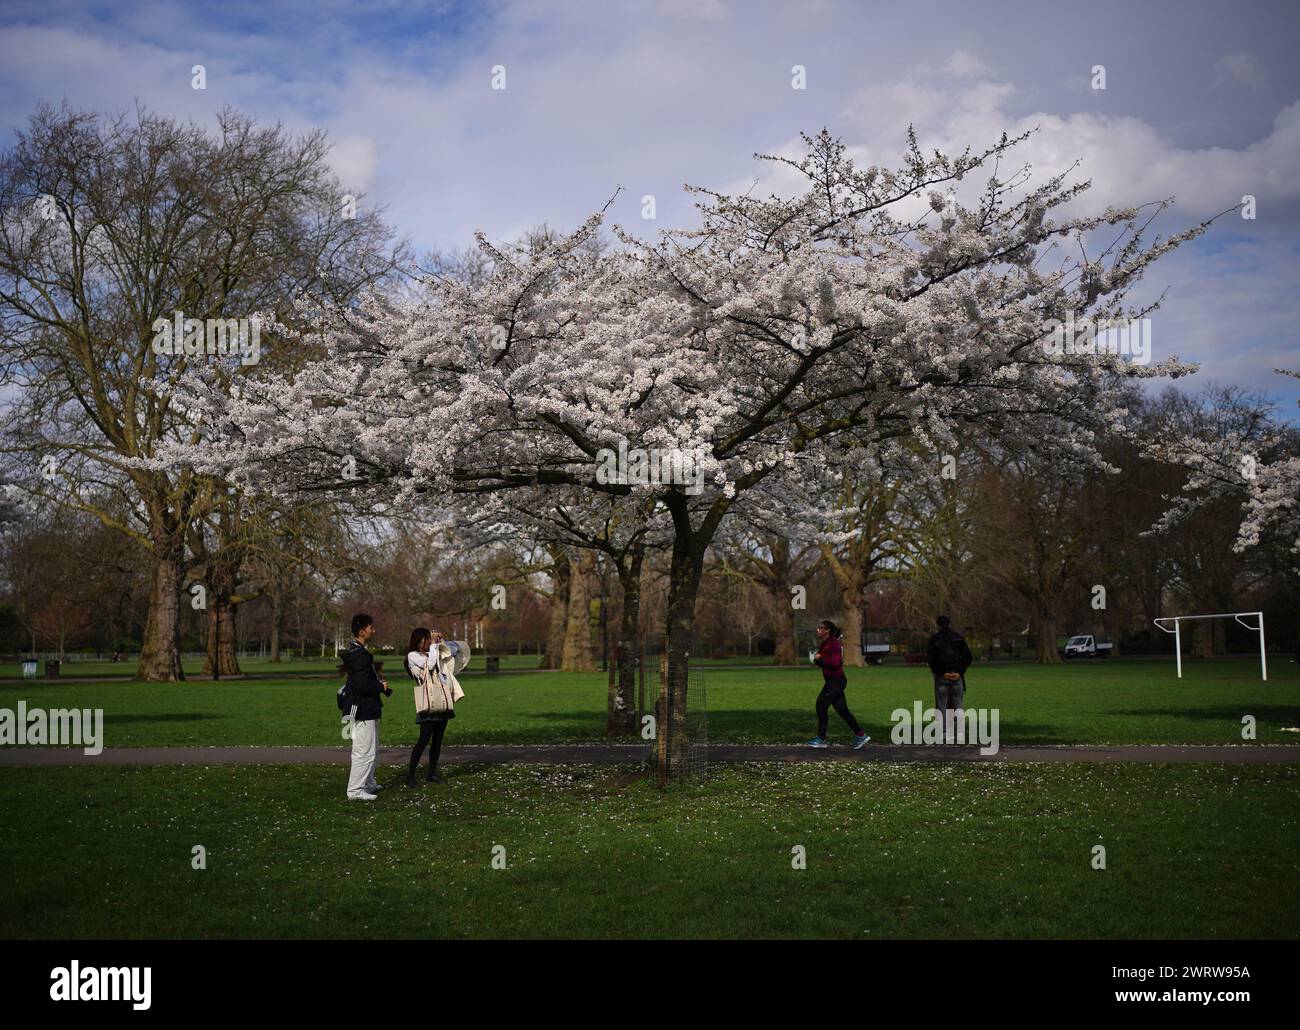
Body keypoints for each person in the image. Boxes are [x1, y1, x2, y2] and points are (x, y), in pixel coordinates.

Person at [341, 612, 391, 801]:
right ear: (362, 631)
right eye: (371, 628)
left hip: (367, 707)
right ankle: (355, 791)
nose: (374, 630)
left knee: (372, 748)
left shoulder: (358, 653)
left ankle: (368, 783)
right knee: (364, 751)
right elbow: (362, 685)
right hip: (362, 709)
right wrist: (380, 686)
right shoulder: (359, 656)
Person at [807, 619, 870, 749]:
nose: (817, 630)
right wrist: (817, 660)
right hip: (832, 681)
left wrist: (820, 659)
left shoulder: (834, 644)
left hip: (836, 681)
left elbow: (836, 663)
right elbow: (823, 661)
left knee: (821, 705)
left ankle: (821, 738)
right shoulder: (825, 644)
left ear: (827, 630)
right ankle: (861, 735)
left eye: (820, 628)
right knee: (842, 710)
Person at [404, 627, 455, 786]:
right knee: (423, 740)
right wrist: (434, 645)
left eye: (429, 639)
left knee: (438, 741)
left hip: (441, 699)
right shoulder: (412, 656)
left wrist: (439, 642)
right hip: (429, 701)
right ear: (419, 640)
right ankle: (411, 776)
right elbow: (430, 665)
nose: (428, 641)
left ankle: (431, 773)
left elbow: (448, 660)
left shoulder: (432, 650)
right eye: (426, 639)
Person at [926, 614, 973, 732]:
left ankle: (943, 730)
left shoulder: (934, 639)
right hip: (957, 676)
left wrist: (940, 672)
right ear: (949, 623)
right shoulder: (958, 638)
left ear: (938, 625)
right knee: (958, 704)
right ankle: (960, 730)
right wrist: (959, 671)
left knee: (941, 704)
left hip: (942, 676)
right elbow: (968, 657)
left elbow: (931, 659)